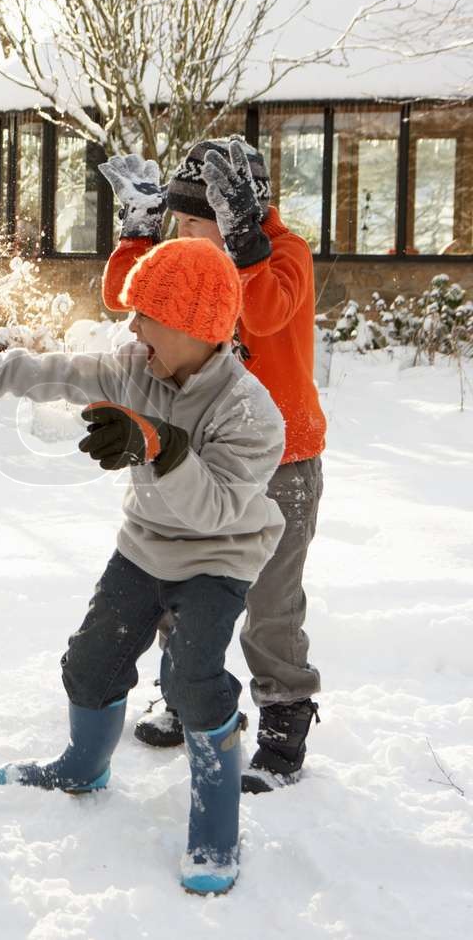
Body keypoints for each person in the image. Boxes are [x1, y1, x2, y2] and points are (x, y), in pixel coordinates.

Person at [0, 237, 285, 894]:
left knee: (195, 678)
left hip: (219, 556)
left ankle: (216, 827)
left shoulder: (250, 411)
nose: (133, 325)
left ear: (194, 326)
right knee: (90, 663)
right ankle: (83, 766)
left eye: (146, 313)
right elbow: (48, 372)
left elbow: (218, 507)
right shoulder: (133, 367)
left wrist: (158, 443)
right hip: (145, 546)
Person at [101, 139, 326, 793]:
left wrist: (246, 241)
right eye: (178, 221)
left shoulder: (284, 256)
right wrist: (138, 233)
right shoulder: (190, 261)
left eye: (200, 222)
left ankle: (285, 713)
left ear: (242, 213)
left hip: (282, 463)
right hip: (195, 457)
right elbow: (126, 296)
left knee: (271, 600)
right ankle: (183, 692)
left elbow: (265, 310)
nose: (188, 236)